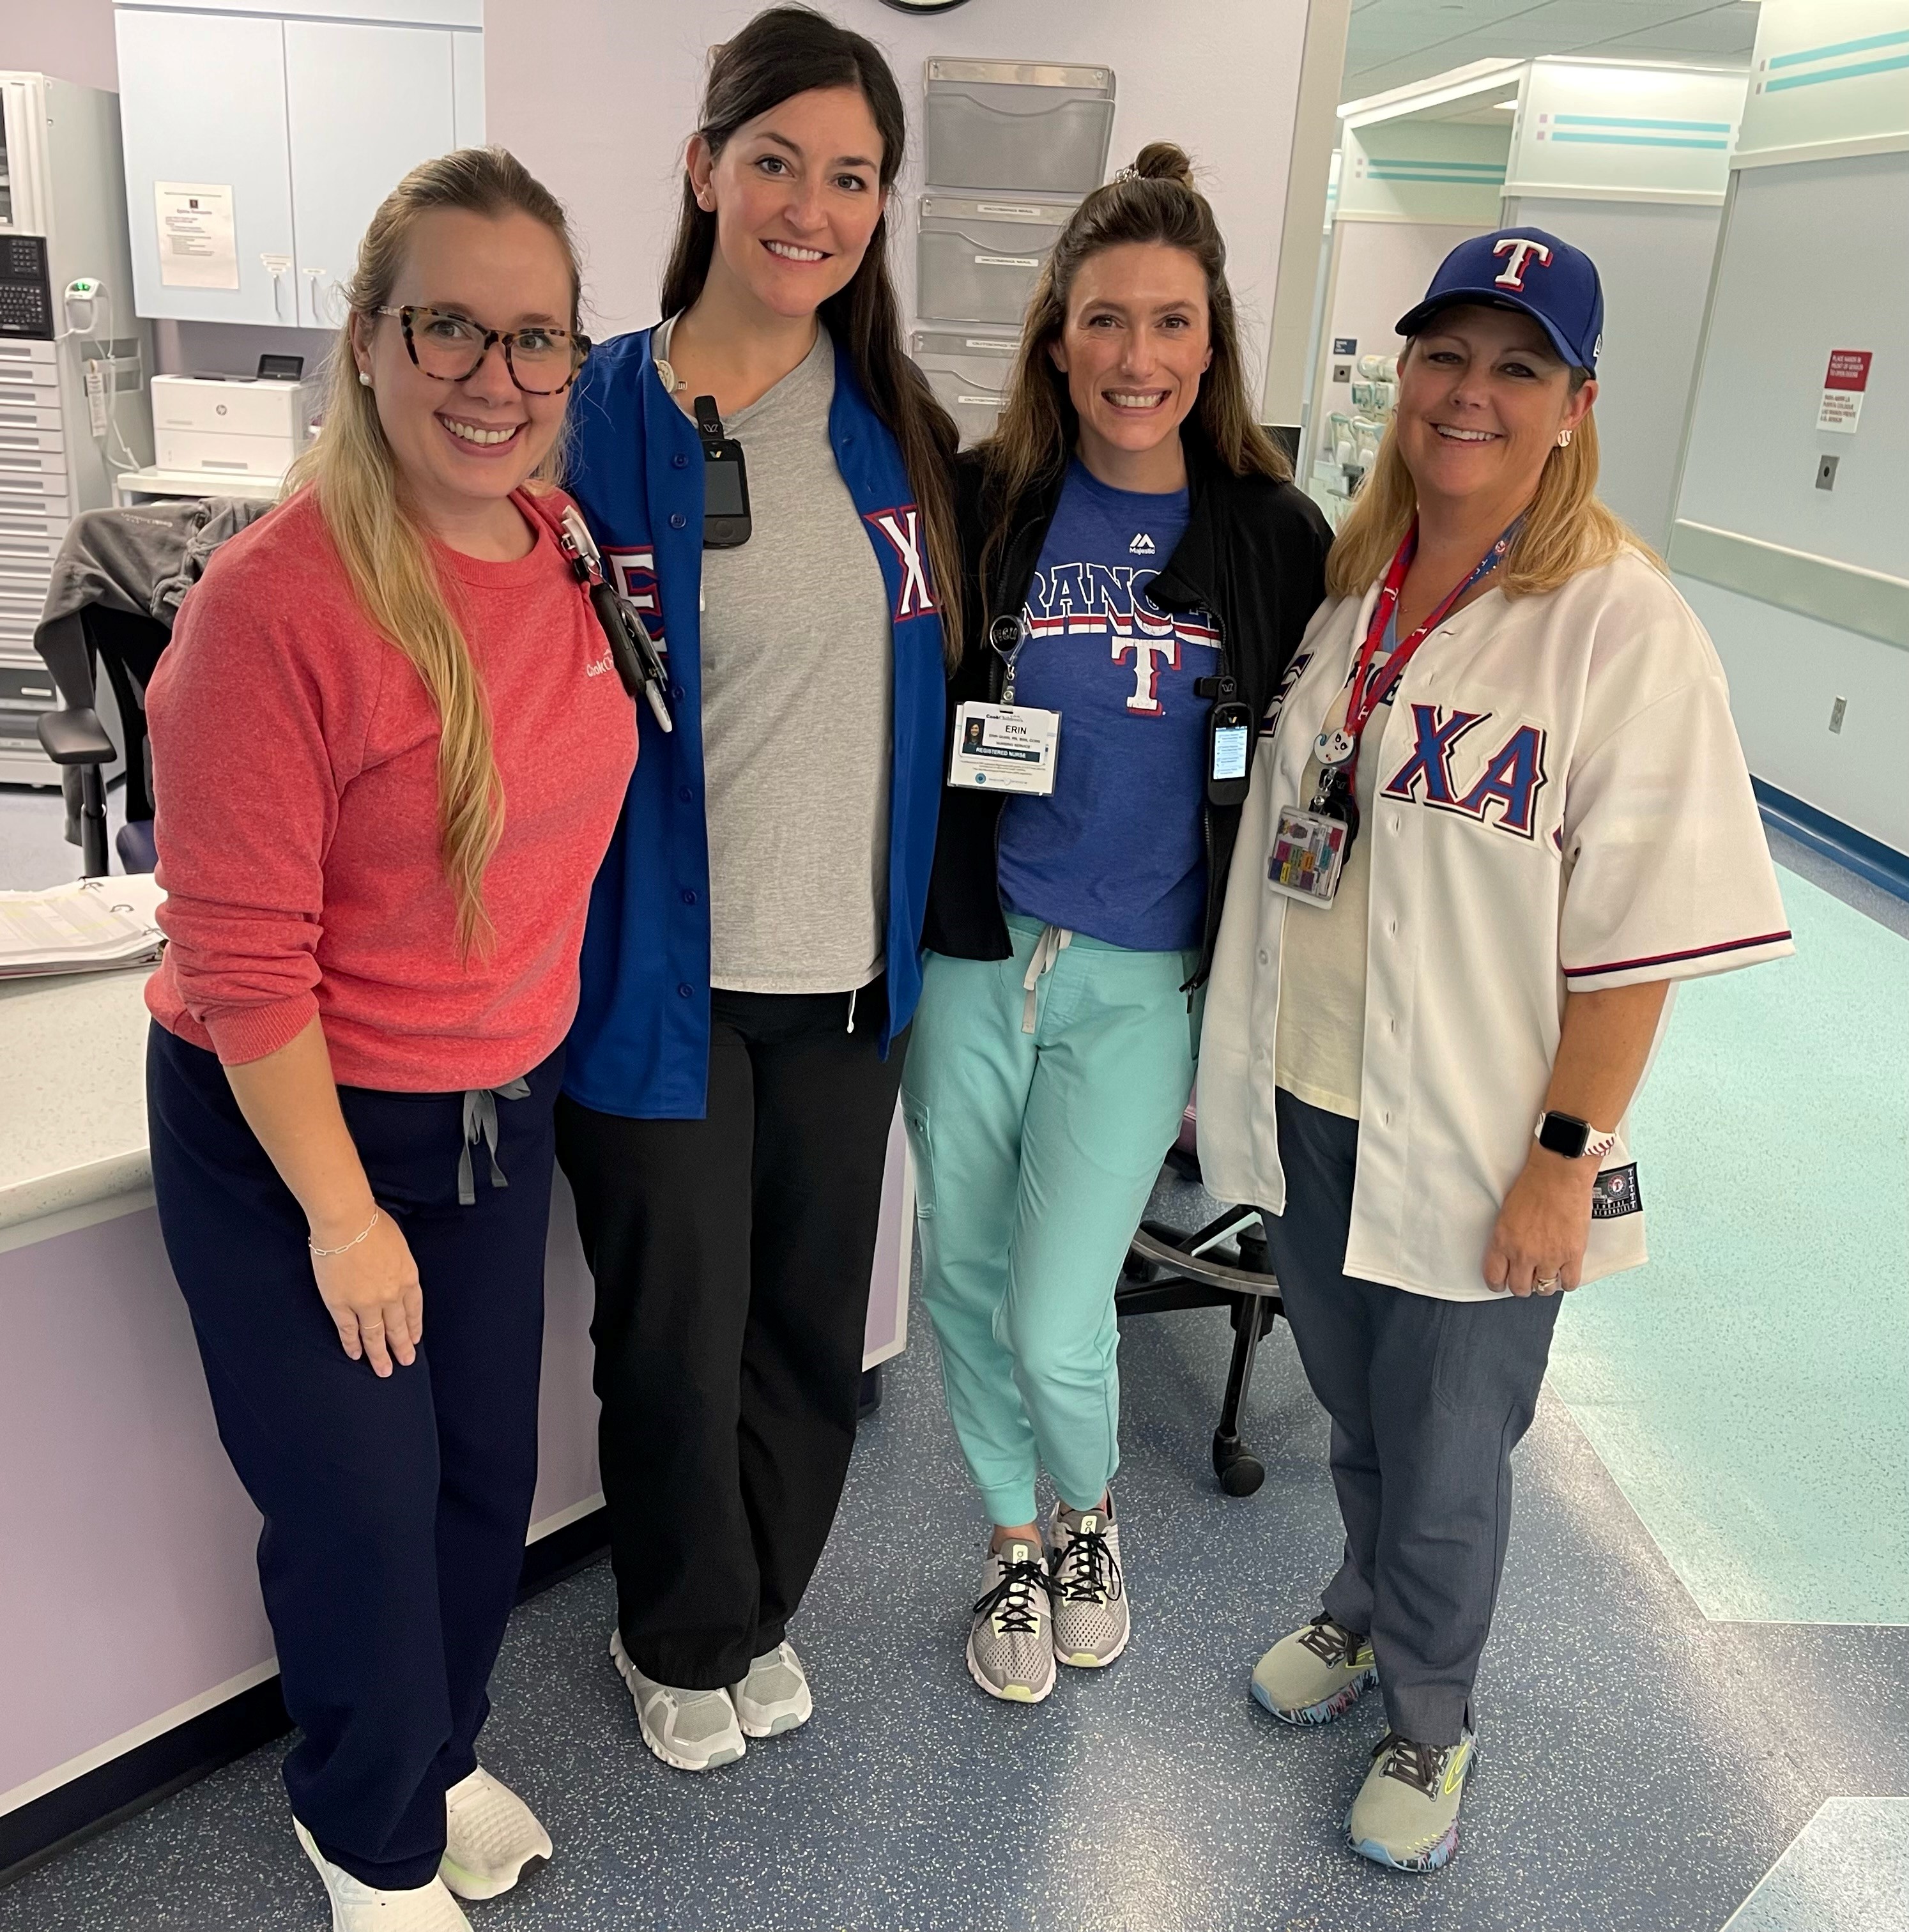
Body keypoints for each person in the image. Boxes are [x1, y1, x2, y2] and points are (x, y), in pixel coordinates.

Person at [1196, 229, 1793, 1871]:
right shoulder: (1355, 583)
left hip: (1482, 1133)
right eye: (1447, 356)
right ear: (1406, 376)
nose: (1472, 393)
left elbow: (1639, 940)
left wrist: (1562, 1164)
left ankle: (1431, 1714)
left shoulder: (1620, 624)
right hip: (1318, 1091)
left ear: (1576, 404)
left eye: (1519, 367)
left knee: (1453, 1447)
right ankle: (1362, 1603)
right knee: (1355, 1407)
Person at [143, 150, 634, 1930]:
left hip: (491, 1110)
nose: (494, 379)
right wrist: (344, 1218)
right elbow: (242, 959)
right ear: (365, 337)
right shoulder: (274, 605)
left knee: (478, 1483)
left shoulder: (563, 545)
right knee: (357, 1507)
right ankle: (365, 1835)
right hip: (295, 1127)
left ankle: (434, 1755)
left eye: (535, 338)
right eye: (448, 328)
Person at [553, 7, 959, 1773]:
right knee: (673, 1337)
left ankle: (760, 1611)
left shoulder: (900, 433)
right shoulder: (589, 413)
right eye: (777, 160)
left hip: (850, 985)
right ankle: (676, 1630)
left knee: (805, 1328)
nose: (812, 206)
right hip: (659, 977)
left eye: (852, 176)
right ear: (704, 168)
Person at [906, 144, 1332, 1705]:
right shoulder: (987, 504)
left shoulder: (1273, 536)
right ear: (1055, 337)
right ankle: (1014, 1540)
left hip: (1146, 980)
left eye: (1169, 322)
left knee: (1054, 1308)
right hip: (977, 953)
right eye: (1103, 320)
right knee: (963, 1280)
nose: (1134, 357)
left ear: (1211, 346)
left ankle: (1092, 1515)